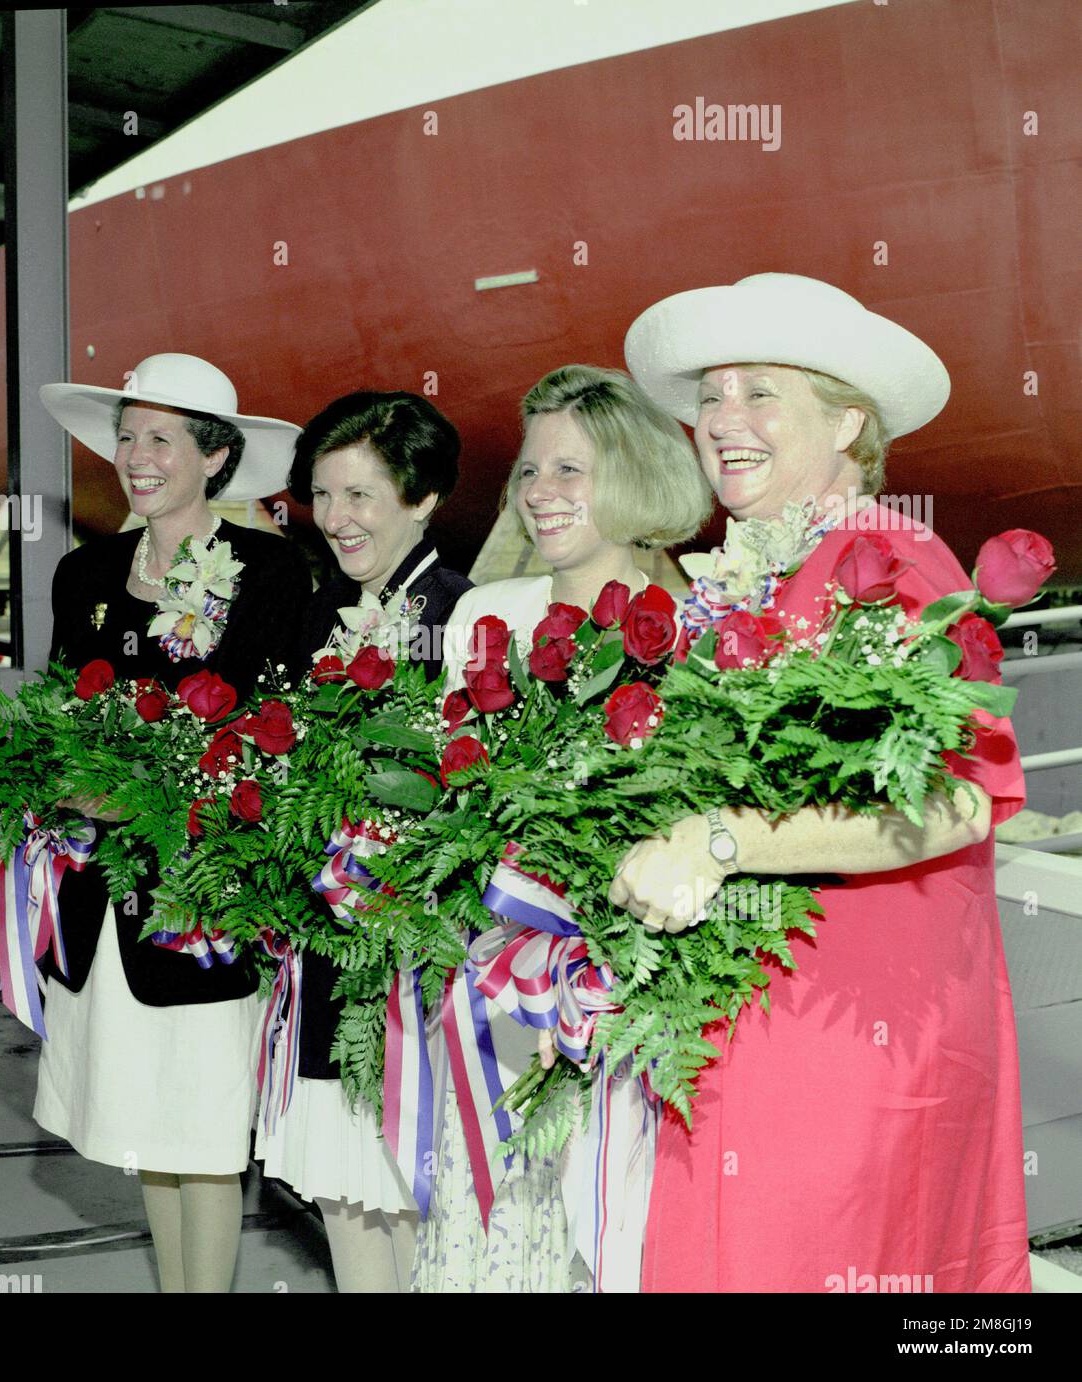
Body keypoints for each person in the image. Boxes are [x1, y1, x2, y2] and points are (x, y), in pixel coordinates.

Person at [617, 272, 1030, 1292]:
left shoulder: (895, 558)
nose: (723, 420)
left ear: (848, 419)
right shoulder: (745, 574)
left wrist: (721, 840)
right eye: (711, 396)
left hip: (858, 1035)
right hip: (751, 1019)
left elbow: (956, 802)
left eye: (762, 393)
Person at [0, 353, 309, 1292]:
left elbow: (273, 731)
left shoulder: (271, 571)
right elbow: (52, 711)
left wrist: (154, 796)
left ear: (213, 458)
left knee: (204, 1134)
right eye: (125, 437)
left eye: (158, 438)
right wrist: (49, 780)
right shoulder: (84, 571)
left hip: (205, 900)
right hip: (101, 898)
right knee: (150, 1139)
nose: (134, 456)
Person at [411, 364, 711, 1292]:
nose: (540, 493)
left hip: (619, 1017)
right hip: (489, 1000)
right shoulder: (483, 616)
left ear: (632, 478)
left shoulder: (696, 634)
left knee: (600, 1242)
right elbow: (443, 801)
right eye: (530, 472)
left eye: (569, 471)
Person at [259, 390, 470, 1292]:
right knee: (344, 1200)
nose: (335, 520)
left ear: (422, 499)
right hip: (324, 958)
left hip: (413, 968)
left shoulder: (463, 615)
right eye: (322, 495)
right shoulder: (319, 617)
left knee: (413, 1202)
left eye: (360, 496)